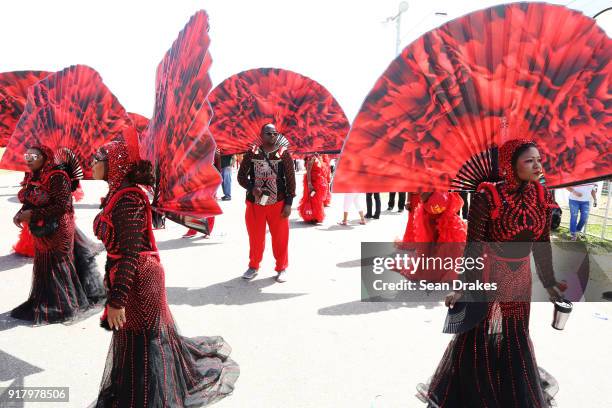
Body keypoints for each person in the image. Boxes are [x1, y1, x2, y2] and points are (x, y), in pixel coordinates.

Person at [417, 139, 566, 407]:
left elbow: (542, 245)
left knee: (515, 334)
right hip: (487, 275)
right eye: (529, 161)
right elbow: (473, 246)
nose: (537, 166)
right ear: (511, 165)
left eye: (539, 160)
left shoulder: (543, 197)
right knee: (476, 333)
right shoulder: (487, 197)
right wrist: (462, 285)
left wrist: (550, 282)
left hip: (520, 278)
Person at [91, 137, 239, 407]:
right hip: (129, 277)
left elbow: (130, 254)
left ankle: (149, 398)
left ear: (114, 165)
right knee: (136, 342)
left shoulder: (128, 200)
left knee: (146, 344)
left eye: (98, 159)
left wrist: (117, 300)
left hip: (139, 281)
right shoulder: (116, 194)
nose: (92, 163)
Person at [11, 146, 105, 324]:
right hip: (40, 230)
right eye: (27, 155)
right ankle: (47, 302)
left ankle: (65, 306)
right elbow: (29, 200)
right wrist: (20, 213)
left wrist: (32, 215)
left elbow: (62, 206)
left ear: (44, 157)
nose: (29, 159)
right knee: (43, 264)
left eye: (33, 156)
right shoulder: (33, 175)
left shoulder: (57, 176)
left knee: (58, 264)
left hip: (59, 228)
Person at [237, 123, 296, 283]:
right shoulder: (252, 153)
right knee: (255, 237)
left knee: (281, 237)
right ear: (262, 135)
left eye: (275, 133)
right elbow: (241, 177)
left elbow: (291, 180)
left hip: (278, 202)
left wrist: (289, 203)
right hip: (255, 204)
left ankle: (282, 267)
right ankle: (253, 266)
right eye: (269, 133)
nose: (272, 136)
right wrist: (251, 187)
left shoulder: (284, 154)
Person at [298, 154, 326, 223]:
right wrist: (309, 183)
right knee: (311, 198)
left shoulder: (317, 157)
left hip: (318, 181)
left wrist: (319, 158)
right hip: (312, 181)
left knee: (317, 199)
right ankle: (311, 216)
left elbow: (321, 168)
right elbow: (308, 171)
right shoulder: (311, 157)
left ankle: (315, 216)